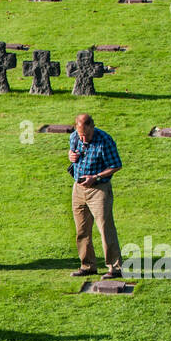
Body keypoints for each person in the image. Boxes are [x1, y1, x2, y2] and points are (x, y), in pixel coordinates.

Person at [67, 113, 123, 278]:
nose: (83, 138)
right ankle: (87, 265)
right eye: (80, 135)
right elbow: (73, 153)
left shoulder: (104, 140)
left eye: (86, 135)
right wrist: (71, 156)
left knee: (105, 229)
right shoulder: (74, 137)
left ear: (92, 127)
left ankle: (115, 268)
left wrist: (96, 177)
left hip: (98, 189)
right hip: (78, 188)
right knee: (82, 229)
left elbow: (116, 165)